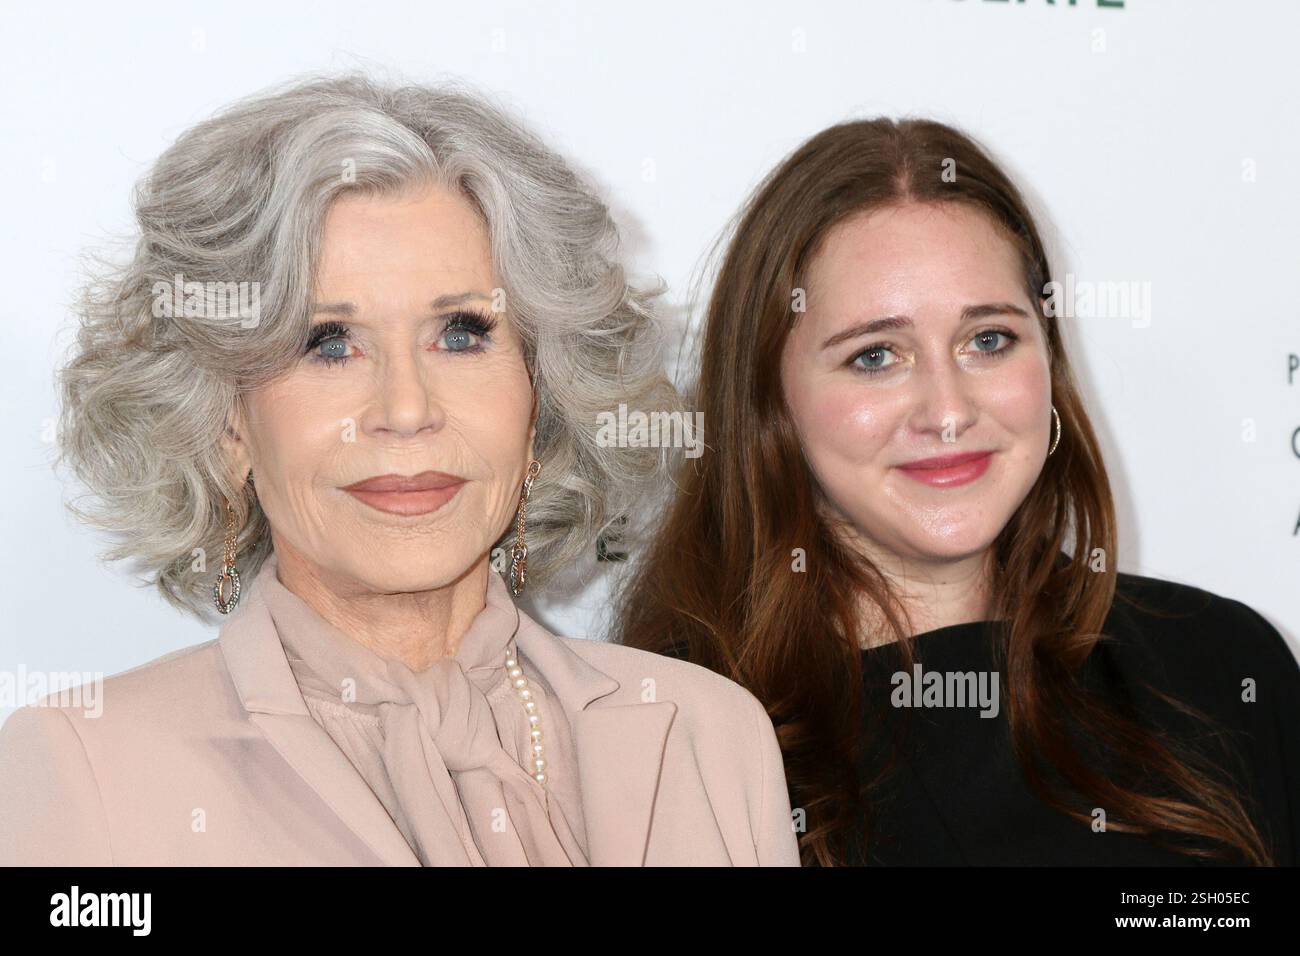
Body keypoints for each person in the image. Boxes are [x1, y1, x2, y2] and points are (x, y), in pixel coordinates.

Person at [0, 73, 800, 867]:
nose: (407, 408)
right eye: (328, 343)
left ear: (541, 397)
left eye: (461, 334)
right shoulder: (88, 769)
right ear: (228, 421)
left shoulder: (709, 736)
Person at [616, 117, 1300, 866]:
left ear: (1050, 360)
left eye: (989, 340)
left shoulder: (1218, 667)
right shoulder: (668, 735)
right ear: (770, 403)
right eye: (875, 355)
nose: (948, 412)